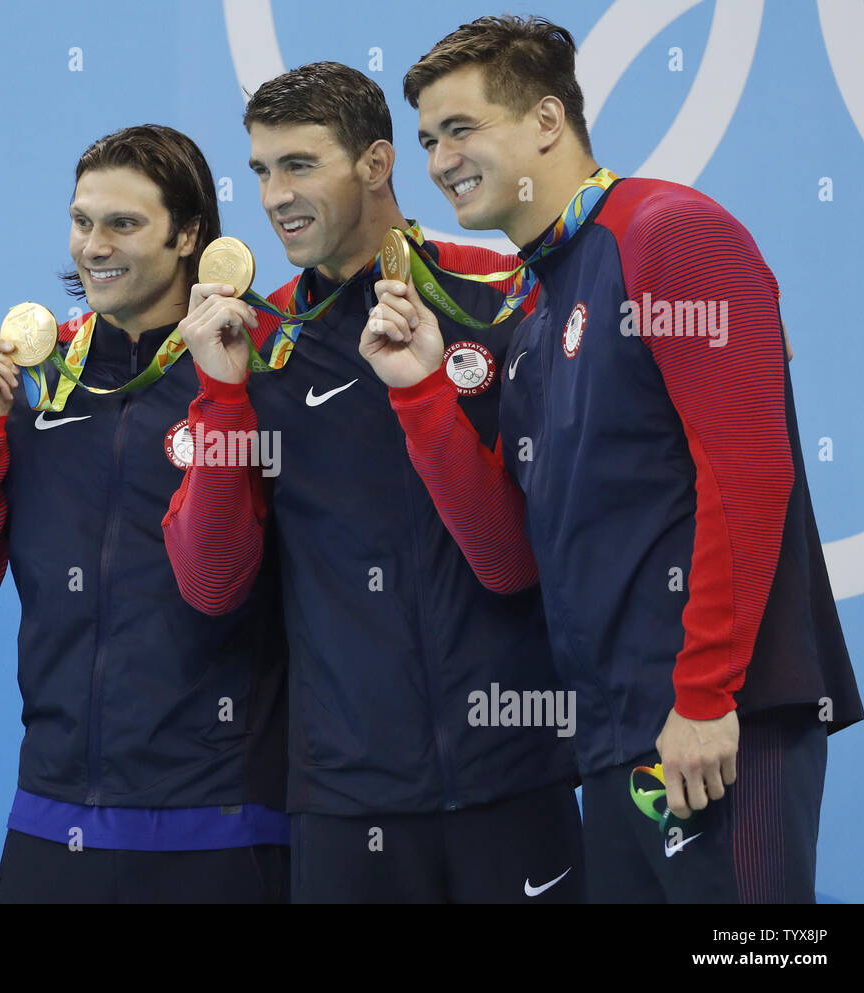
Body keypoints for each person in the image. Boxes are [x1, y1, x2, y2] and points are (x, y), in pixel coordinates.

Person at [364, 14, 864, 902]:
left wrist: (707, 693)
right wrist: (419, 392)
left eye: (462, 128)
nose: (438, 161)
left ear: (548, 121)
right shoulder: (535, 306)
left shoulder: (672, 233)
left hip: (716, 726)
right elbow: (510, 558)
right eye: (429, 139)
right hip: (617, 740)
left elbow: (751, 477)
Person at [164, 63, 583, 903]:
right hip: (345, 801)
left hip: (518, 771)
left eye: (299, 164)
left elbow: (520, 552)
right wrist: (221, 395)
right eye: (260, 171)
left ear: (377, 164)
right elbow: (211, 583)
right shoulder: (255, 344)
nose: (275, 194)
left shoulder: (501, 299)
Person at [0, 124, 289, 903]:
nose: (94, 245)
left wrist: (223, 397)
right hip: (50, 821)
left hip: (222, 820)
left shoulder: (253, 368)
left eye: (123, 223)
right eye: (82, 220)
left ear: (189, 234)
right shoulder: (40, 377)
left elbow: (219, 585)